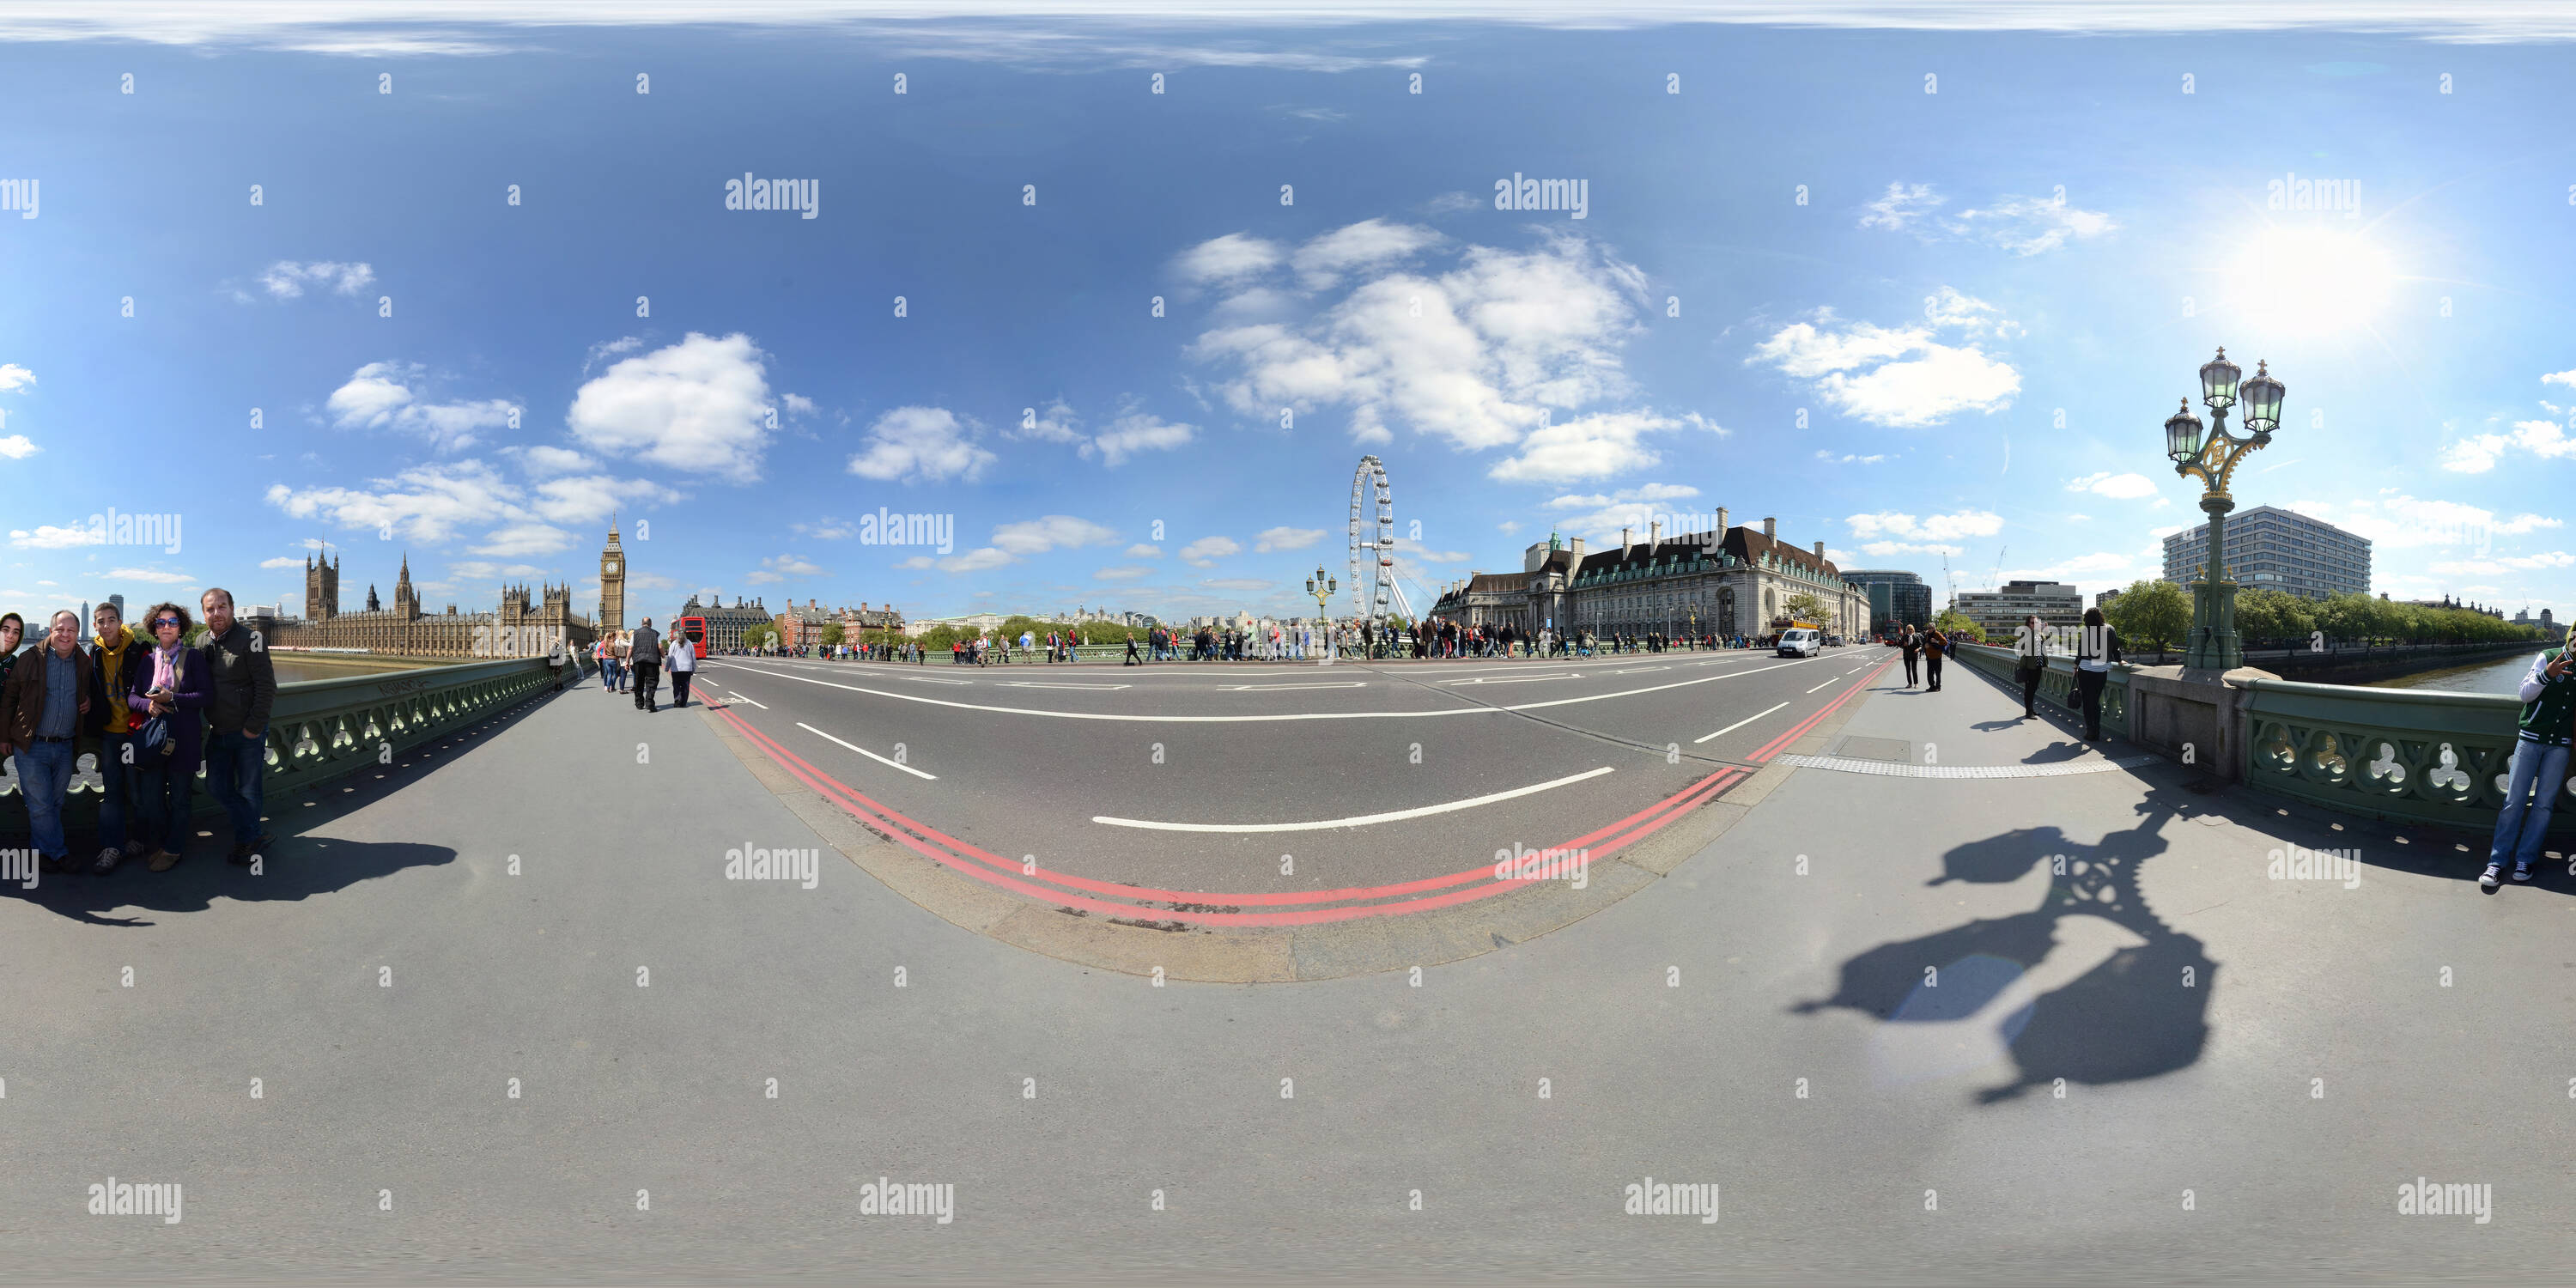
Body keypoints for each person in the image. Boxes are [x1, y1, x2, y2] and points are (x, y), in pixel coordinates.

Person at [0, 611, 94, 874]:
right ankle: (59, 853)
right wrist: (4, 736)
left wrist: (88, 703)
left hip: (65, 745)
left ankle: (39, 853)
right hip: (32, 745)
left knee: (54, 803)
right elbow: (9, 699)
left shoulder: (83, 662)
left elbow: (88, 695)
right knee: (41, 804)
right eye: (60, 629)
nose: (65, 635)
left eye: (71, 631)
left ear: (77, 634)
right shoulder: (29, 659)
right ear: (51, 630)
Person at [2485, 625, 2576, 889]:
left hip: (2560, 745)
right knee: (2514, 800)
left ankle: (2526, 858)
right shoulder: (2547, 657)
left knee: (2544, 805)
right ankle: (2497, 861)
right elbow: (2524, 693)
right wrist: (2547, 675)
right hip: (2531, 740)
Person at [129, 603, 211, 872]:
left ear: (181, 627)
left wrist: (172, 698)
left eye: (173, 622)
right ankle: (163, 843)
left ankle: (173, 849)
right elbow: (132, 696)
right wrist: (147, 706)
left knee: (179, 798)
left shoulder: (194, 657)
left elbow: (206, 696)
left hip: (184, 739)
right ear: (154, 627)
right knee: (152, 798)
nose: (167, 627)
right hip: (154, 742)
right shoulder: (147, 661)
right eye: (161, 622)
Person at [198, 589, 276, 866]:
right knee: (216, 786)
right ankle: (254, 832)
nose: (216, 613)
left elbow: (267, 687)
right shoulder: (200, 641)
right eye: (210, 609)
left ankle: (247, 842)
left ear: (232, 609)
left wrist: (253, 729)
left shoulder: (252, 639)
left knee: (248, 790)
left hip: (246, 732)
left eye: (222, 607)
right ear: (204, 613)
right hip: (217, 730)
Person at [85, 600, 155, 873]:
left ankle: (141, 841)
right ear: (95, 626)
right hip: (109, 735)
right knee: (112, 793)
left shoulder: (140, 650)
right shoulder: (94, 652)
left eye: (111, 620)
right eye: (101, 621)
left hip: (136, 734)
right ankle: (111, 847)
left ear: (120, 621)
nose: (106, 625)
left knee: (139, 795)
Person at [2072, 607, 2122, 739]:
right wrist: (2120, 660)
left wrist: (2076, 666)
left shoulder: (2086, 631)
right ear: (2101, 617)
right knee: (2095, 700)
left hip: (2086, 669)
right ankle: (2097, 730)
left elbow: (2081, 651)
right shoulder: (2110, 629)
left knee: (2087, 701)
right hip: (2101, 670)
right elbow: (2116, 647)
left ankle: (2090, 730)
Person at [2013, 613, 2047, 719]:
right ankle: (2029, 712)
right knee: (2029, 689)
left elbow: (2045, 642)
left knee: (2034, 688)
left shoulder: (2039, 633)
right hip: (2029, 666)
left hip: (2039, 664)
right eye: (2033, 623)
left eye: (2037, 622)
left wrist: (2045, 630)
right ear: (2028, 624)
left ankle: (2031, 710)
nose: (2035, 624)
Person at [629, 617, 664, 712]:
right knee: (652, 682)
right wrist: (663, 655)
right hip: (652, 661)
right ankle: (649, 703)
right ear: (651, 624)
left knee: (638, 682)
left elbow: (630, 648)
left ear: (642, 623)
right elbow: (660, 646)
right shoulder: (655, 633)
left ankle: (639, 703)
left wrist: (628, 661)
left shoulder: (635, 633)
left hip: (638, 661)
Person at [667, 623, 697, 708]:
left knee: (676, 685)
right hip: (687, 669)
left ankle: (677, 700)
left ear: (678, 634)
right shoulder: (689, 643)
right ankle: (683, 703)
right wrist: (693, 669)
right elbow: (693, 658)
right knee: (686, 686)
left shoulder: (674, 643)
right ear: (686, 634)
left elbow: (669, 657)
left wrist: (667, 668)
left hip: (675, 669)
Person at [1921, 623, 1947, 692]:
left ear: (1934, 628)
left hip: (1937, 657)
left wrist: (1937, 641)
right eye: (1928, 628)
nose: (1929, 629)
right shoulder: (1927, 635)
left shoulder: (1937, 634)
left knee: (1938, 673)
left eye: (1931, 628)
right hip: (1929, 657)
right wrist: (1925, 646)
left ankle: (1938, 687)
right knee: (1929, 673)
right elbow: (1924, 642)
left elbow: (1945, 642)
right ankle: (1932, 686)